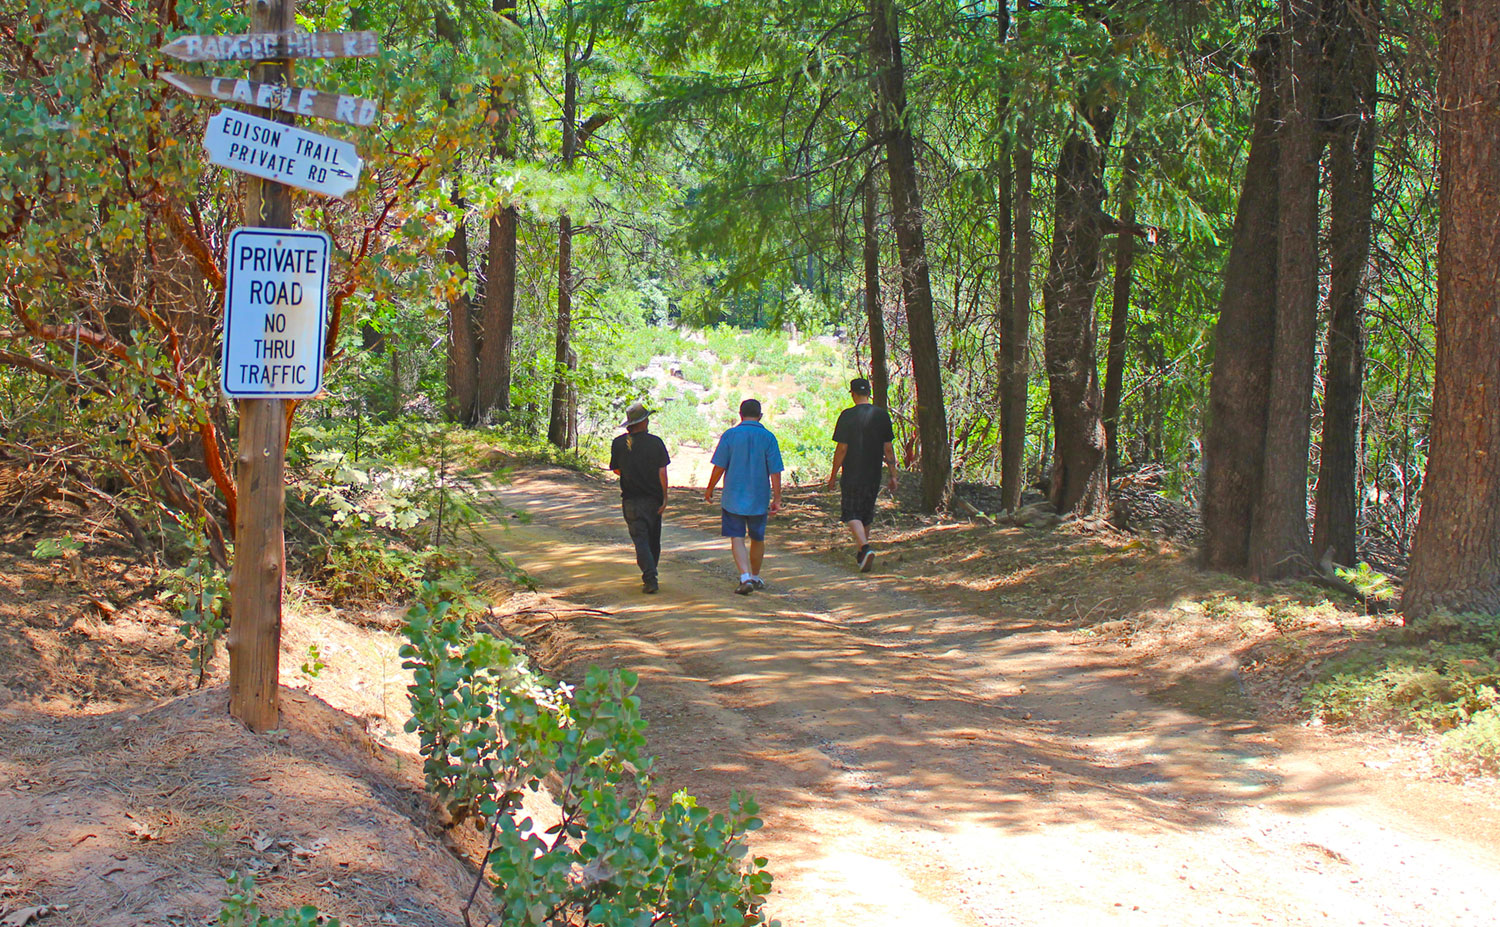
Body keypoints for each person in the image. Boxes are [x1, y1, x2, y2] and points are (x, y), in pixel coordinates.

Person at [704, 398, 784, 596]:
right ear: (760, 415)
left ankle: (745, 576)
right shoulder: (768, 437)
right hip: (759, 497)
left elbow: (719, 466)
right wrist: (777, 498)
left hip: (733, 497)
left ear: (740, 415)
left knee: (737, 537)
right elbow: (775, 471)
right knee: (758, 537)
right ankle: (755, 577)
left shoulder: (730, 435)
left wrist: (710, 488)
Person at [825, 377, 897, 572]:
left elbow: (842, 449)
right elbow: (888, 448)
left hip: (853, 472)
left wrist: (833, 475)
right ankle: (862, 555)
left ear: (853, 394)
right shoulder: (882, 415)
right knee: (866, 514)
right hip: (874, 472)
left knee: (851, 513)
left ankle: (865, 547)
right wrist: (893, 474)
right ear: (869, 393)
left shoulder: (847, 416)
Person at [609, 400, 670, 594]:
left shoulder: (619, 443)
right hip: (653, 499)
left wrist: (630, 474)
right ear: (644, 422)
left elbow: (616, 469)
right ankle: (651, 574)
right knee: (653, 540)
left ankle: (650, 576)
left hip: (631, 499)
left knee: (640, 539)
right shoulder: (656, 443)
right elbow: (662, 472)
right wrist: (665, 497)